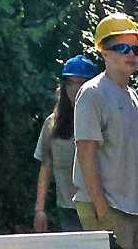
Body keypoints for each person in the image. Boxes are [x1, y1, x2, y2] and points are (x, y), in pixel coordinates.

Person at [72, 15, 138, 249]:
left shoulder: (132, 96)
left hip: (136, 209)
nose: (131, 54)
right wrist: (102, 210)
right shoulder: (93, 94)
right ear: (104, 53)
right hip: (109, 209)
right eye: (121, 48)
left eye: (136, 48)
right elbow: (86, 153)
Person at [32, 54, 99, 233]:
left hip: (99, 208)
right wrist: (39, 210)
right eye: (70, 83)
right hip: (67, 210)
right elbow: (46, 166)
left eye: (81, 83)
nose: (75, 89)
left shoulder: (104, 121)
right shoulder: (52, 124)